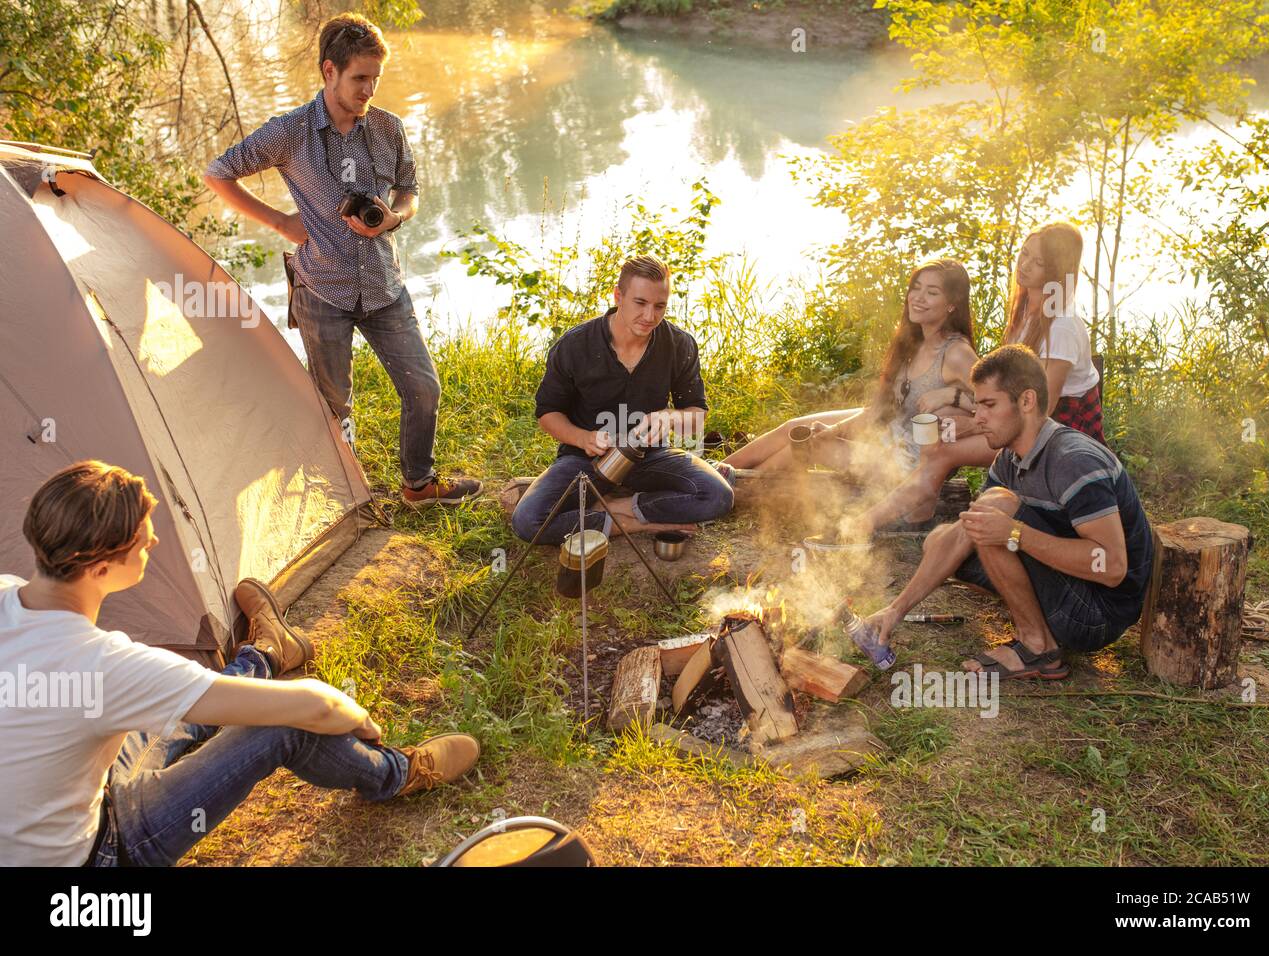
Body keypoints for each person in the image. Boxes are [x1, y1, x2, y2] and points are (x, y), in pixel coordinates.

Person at [0, 461, 480, 866]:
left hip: (51, 813)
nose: (155, 544)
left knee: (173, 707)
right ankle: (395, 774)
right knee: (278, 725)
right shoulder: (105, 666)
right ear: (101, 569)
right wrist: (361, 719)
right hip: (99, 852)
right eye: (144, 543)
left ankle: (268, 654)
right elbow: (315, 708)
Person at [203, 13, 481, 507]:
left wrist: (394, 218)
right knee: (334, 406)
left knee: (424, 388)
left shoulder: (387, 127)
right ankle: (344, 497)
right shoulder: (289, 133)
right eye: (359, 78)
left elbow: (409, 189)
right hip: (322, 291)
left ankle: (418, 484)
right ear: (329, 71)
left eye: (375, 78)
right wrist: (282, 223)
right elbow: (218, 173)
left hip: (383, 287)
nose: (369, 89)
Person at [861, 345, 1153, 679]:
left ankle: (1038, 647)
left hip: (1097, 612)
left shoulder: (1073, 461)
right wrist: (895, 611)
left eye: (988, 405)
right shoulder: (1009, 457)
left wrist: (1015, 534)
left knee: (993, 514)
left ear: (1026, 401)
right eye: (977, 404)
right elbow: (970, 532)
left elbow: (1112, 567)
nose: (977, 417)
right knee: (941, 541)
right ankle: (1037, 622)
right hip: (1067, 584)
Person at [721, 259, 991, 533]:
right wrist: (834, 431)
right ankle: (717, 473)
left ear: (952, 303)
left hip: (903, 467)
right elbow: (879, 410)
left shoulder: (956, 353)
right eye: (916, 288)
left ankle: (731, 494)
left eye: (932, 292)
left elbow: (993, 406)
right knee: (801, 430)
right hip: (884, 438)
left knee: (805, 446)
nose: (918, 298)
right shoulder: (914, 342)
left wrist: (952, 396)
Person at [511, 255, 734, 544]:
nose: (650, 316)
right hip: (585, 462)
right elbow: (548, 412)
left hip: (650, 457)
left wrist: (671, 417)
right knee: (528, 521)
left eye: (660, 306)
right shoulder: (575, 345)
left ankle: (618, 507)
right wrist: (583, 438)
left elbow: (697, 414)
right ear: (618, 296)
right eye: (640, 303)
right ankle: (637, 524)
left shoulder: (679, 344)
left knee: (719, 496)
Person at [1004, 222, 1106, 444]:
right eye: (1025, 253)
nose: (1025, 264)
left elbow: (1043, 408)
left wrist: (982, 423)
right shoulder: (1026, 309)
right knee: (947, 427)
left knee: (946, 450)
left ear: (1056, 270)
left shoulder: (1062, 326)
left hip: (1061, 440)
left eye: (1038, 262)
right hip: (1023, 420)